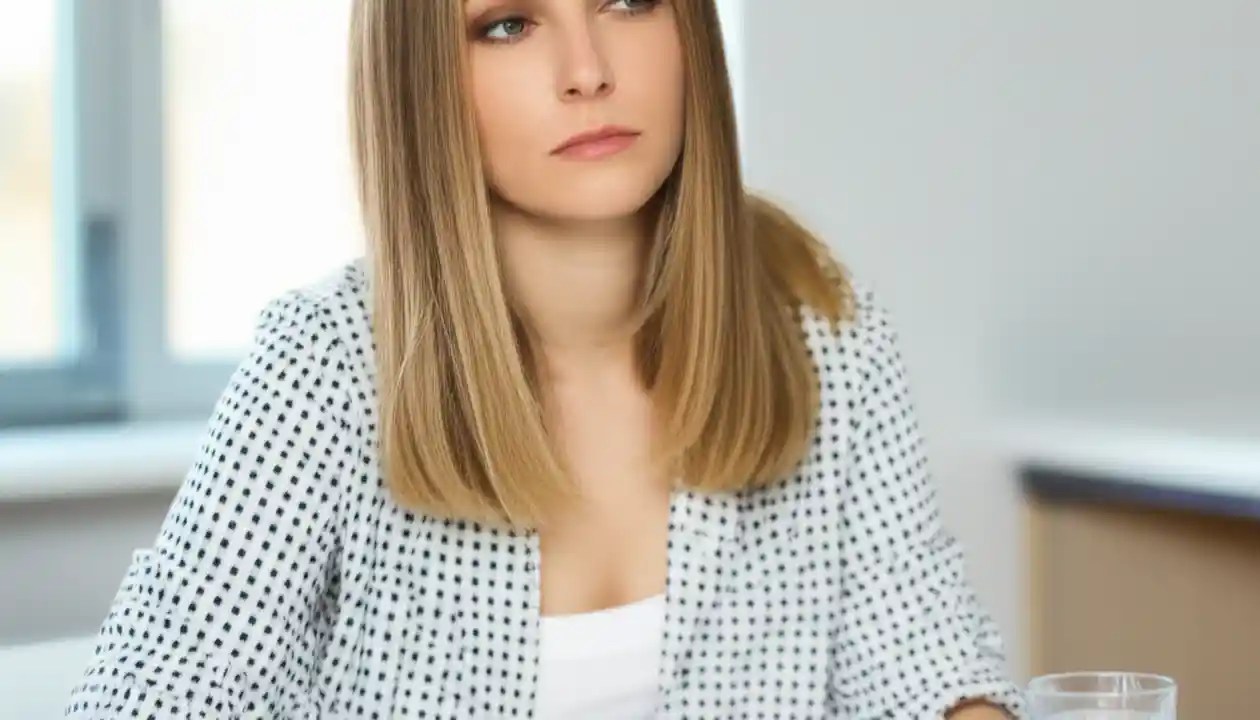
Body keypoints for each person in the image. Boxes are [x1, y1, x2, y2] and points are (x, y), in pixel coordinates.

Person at [66, 0, 1023, 717]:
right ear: (422, 81)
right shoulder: (325, 363)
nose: (588, 70)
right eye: (509, 25)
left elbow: (925, 662)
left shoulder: (818, 328)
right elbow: (156, 694)